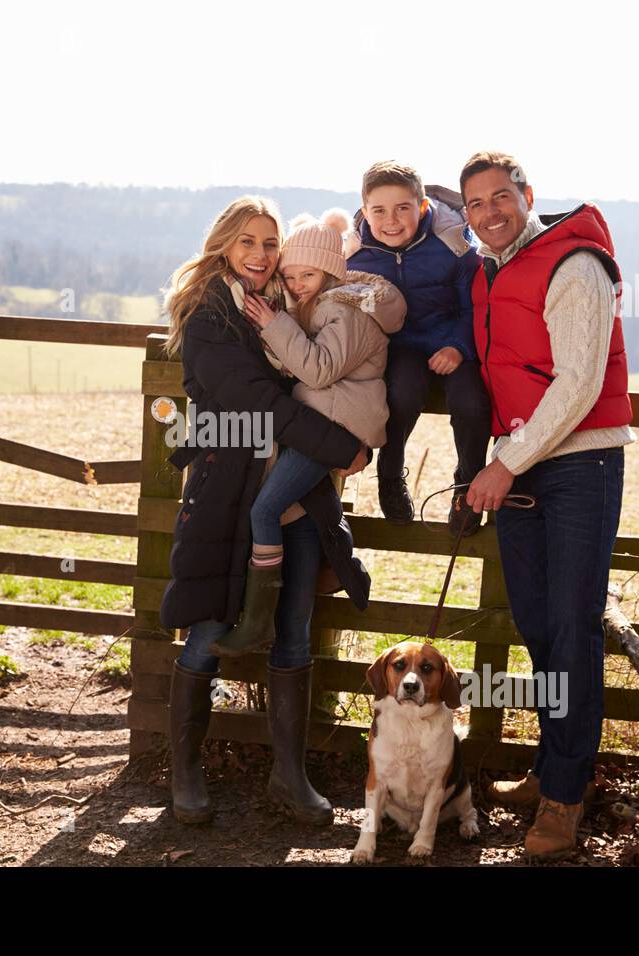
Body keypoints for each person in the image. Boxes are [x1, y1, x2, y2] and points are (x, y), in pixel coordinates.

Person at [158, 196, 371, 826]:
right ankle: (186, 770)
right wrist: (339, 444)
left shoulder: (283, 307)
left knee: (297, 622)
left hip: (298, 487)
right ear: (224, 245)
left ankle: (289, 774)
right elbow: (250, 397)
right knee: (208, 617)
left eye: (270, 243)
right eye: (247, 242)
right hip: (232, 483)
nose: (260, 254)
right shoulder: (207, 316)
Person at [460, 151, 635, 860]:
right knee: (537, 625)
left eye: (502, 197)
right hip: (525, 462)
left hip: (580, 464)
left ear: (528, 196)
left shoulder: (575, 263)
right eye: (475, 203)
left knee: (571, 625)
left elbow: (578, 384)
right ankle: (552, 769)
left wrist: (503, 463)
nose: (490, 212)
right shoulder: (488, 272)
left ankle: (565, 797)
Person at [209, 214, 405, 657]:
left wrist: (273, 324)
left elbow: (317, 370)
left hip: (337, 427)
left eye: (308, 274)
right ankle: (342, 570)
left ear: (331, 272)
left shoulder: (344, 311)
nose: (297, 284)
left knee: (266, 509)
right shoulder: (315, 306)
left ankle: (258, 620)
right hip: (322, 423)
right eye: (290, 275)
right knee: (310, 511)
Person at [347, 161, 490, 534]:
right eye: (379, 210)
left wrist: (458, 346)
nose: (390, 220)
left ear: (423, 207)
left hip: (451, 340)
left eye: (403, 208)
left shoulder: (454, 245)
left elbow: (472, 306)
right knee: (402, 393)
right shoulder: (355, 253)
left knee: (472, 402)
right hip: (399, 348)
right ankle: (391, 475)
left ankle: (468, 489)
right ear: (365, 212)